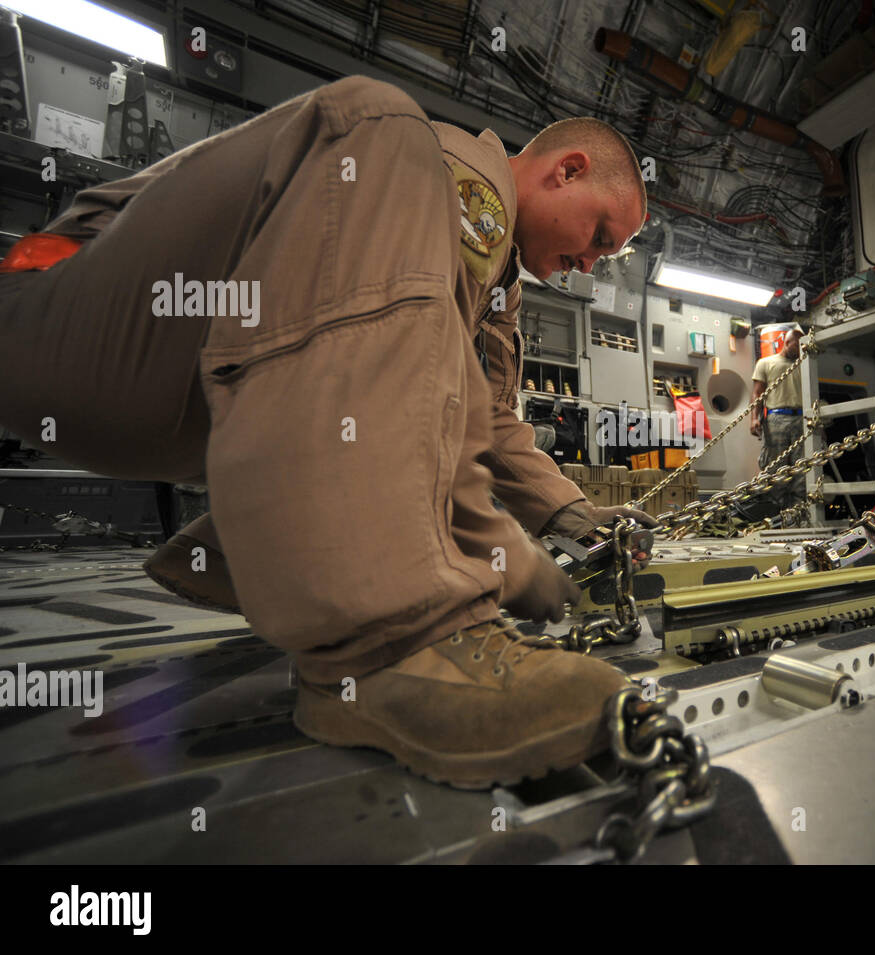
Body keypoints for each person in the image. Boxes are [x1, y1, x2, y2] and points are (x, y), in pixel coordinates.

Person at [0, 76, 655, 789]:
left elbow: (484, 419)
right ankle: (397, 644)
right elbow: (419, 398)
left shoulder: (497, 278)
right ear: (567, 170)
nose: (592, 265)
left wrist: (573, 518)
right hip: (63, 302)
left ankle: (371, 612)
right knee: (384, 118)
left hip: (163, 377)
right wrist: (499, 560)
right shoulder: (449, 176)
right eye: (599, 236)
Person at [749, 325, 806, 517]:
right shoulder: (766, 363)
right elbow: (757, 394)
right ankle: (774, 516)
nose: (800, 350)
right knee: (775, 468)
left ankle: (799, 515)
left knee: (803, 468)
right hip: (776, 419)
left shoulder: (804, 364)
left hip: (801, 418)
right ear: (787, 343)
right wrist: (753, 419)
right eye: (797, 346)